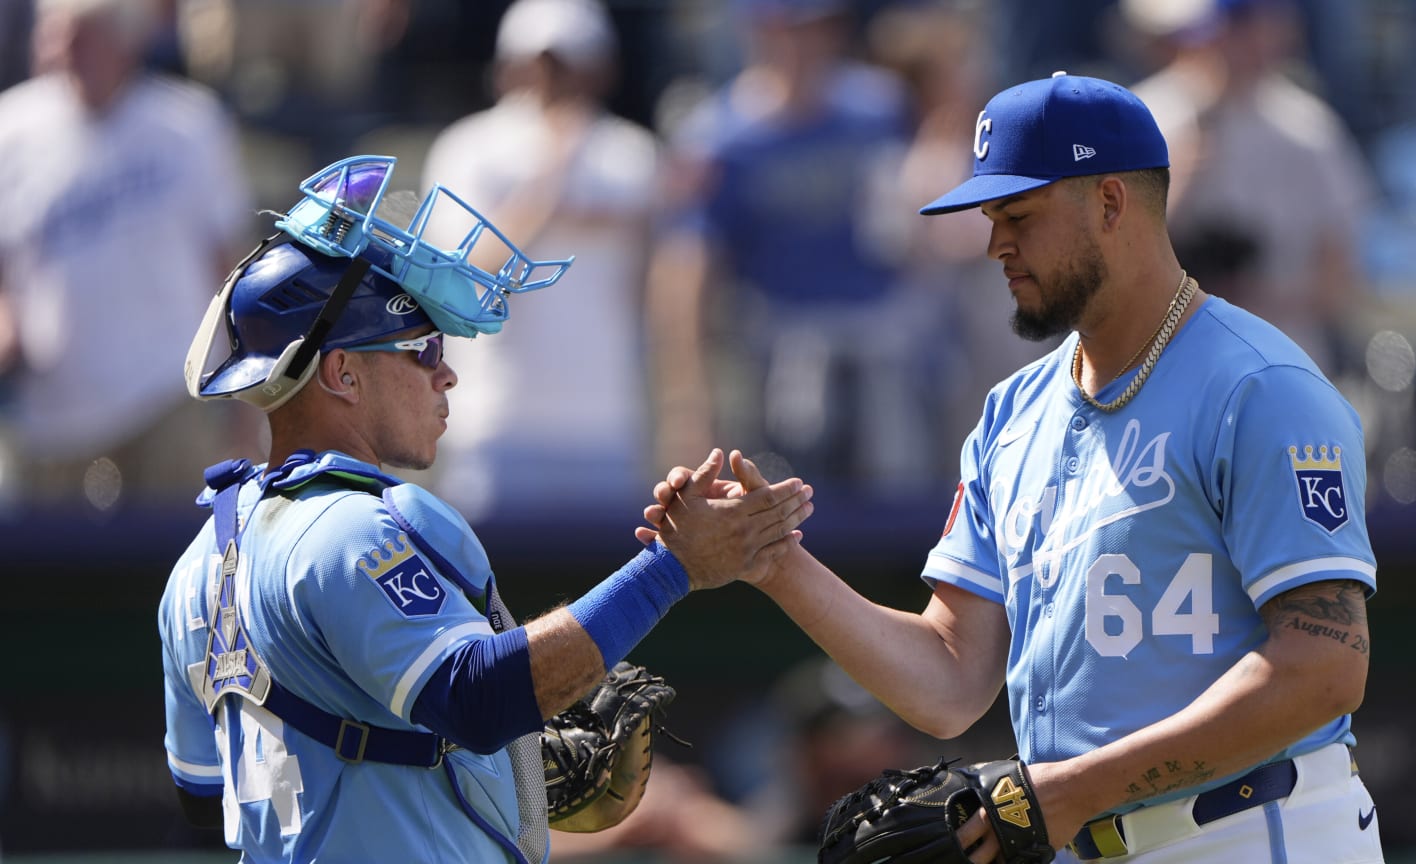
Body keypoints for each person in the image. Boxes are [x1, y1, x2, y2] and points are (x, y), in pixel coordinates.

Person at [645, 74, 1382, 863]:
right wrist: (774, 561)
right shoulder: (1013, 415)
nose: (996, 243)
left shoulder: (1258, 387)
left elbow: (1324, 668)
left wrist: (1067, 793)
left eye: (1019, 215)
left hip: (1255, 832)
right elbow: (951, 680)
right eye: (993, 217)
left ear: (1109, 201)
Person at [158, 155, 813, 863]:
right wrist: (672, 569)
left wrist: (440, 764)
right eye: (420, 348)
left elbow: (202, 798)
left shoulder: (199, 562)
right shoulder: (356, 525)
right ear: (341, 373)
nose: (447, 371)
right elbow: (477, 697)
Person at [647, 0, 947, 495]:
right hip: (778, 353)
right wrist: (686, 402)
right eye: (788, 28)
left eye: (817, 27)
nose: (805, 43)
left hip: (884, 343)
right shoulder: (718, 139)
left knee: (906, 495)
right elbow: (686, 271)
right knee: (790, 499)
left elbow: (915, 225)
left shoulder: (880, 109)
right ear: (758, 33)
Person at [0, 0, 257, 511]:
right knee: (57, 579)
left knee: (176, 565)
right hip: (54, 410)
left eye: (80, 36)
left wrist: (245, 408)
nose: (60, 50)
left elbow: (228, 269)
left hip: (166, 397)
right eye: (50, 35)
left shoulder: (188, 123)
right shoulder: (12, 129)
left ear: (126, 42)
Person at [420, 0, 662, 518]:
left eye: (569, 65)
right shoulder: (469, 148)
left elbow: (652, 283)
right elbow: (461, 275)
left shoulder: (633, 154)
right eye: (541, 63)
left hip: (606, 425)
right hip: (497, 422)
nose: (553, 80)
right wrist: (552, 182)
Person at [1126, 0, 1374, 377]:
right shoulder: (1145, 118)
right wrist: (1174, 191)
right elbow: (1112, 264)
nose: (1250, 40)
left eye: (1260, 23)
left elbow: (1339, 286)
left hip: (1279, 367)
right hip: (1166, 366)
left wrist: (1247, 296)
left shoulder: (1308, 131)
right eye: (1236, 24)